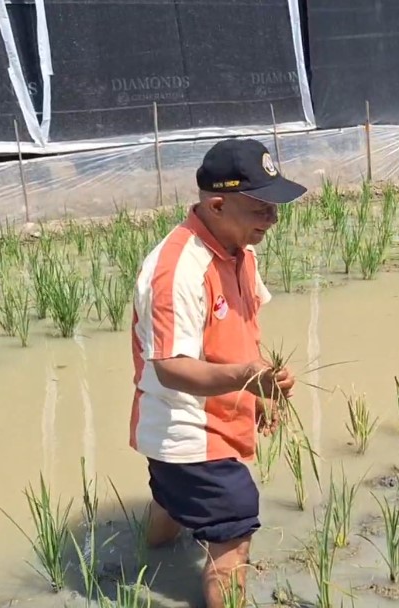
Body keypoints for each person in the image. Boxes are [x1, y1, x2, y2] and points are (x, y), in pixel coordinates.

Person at [129, 138, 303, 606]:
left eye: (275, 208)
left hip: (216, 419)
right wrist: (250, 377)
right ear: (218, 204)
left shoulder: (240, 251)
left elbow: (245, 329)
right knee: (234, 528)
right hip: (185, 429)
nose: (272, 219)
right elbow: (170, 367)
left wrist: (261, 393)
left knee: (172, 501)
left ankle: (145, 557)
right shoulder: (177, 270)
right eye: (261, 209)